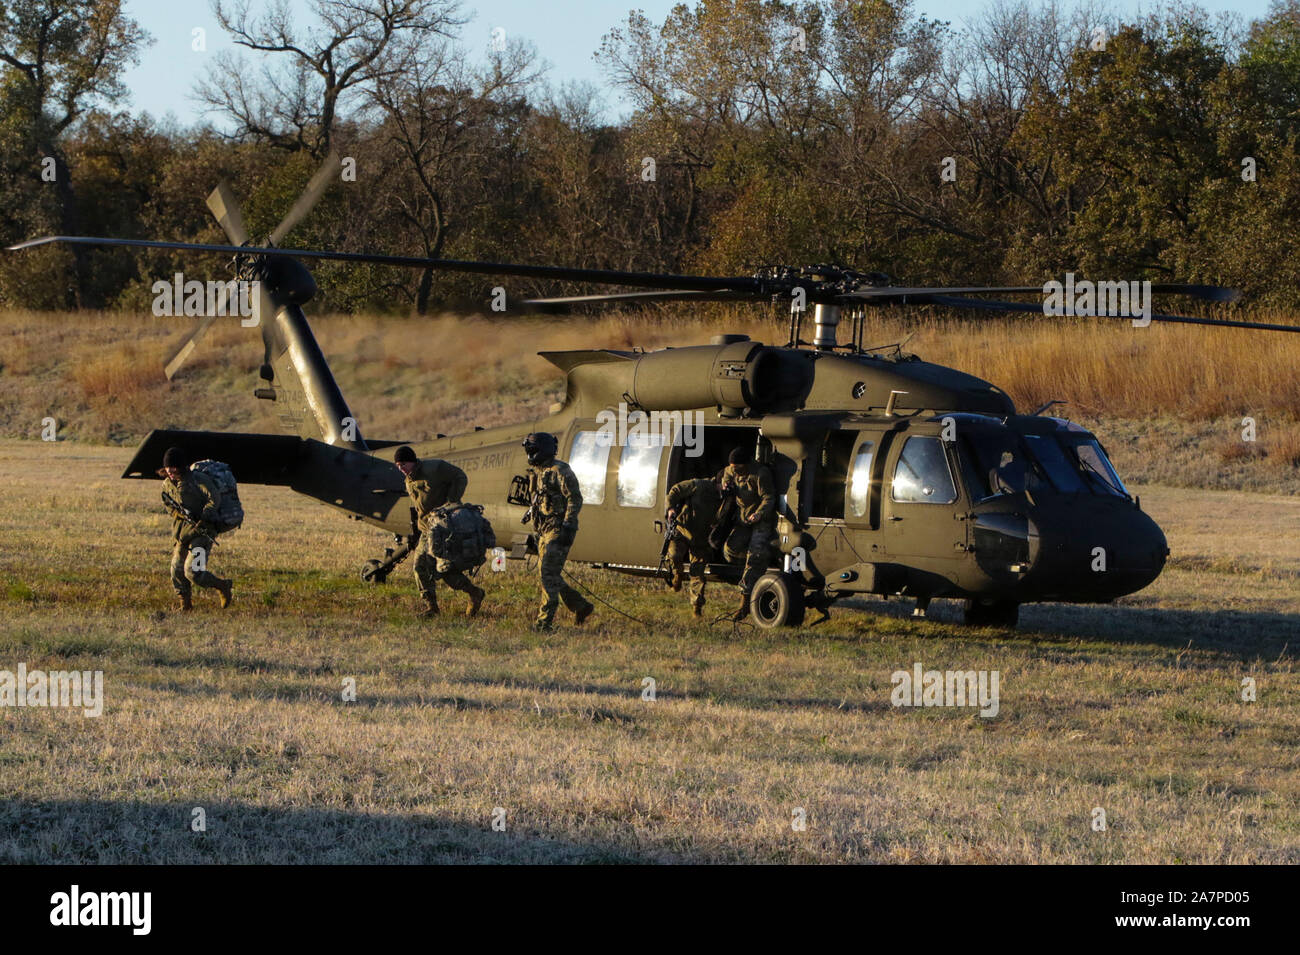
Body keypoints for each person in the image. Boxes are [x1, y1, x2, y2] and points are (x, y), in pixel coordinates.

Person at [394, 445, 485, 618]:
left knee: (445, 569)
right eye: (398, 465)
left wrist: (452, 502)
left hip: (444, 529)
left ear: (412, 461)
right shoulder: (408, 480)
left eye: (403, 464)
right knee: (420, 567)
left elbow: (460, 476)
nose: (401, 469)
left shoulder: (434, 468)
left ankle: (475, 593)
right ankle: (432, 608)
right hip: (427, 530)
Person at [522, 432, 594, 632]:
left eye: (533, 450)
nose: (530, 454)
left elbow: (575, 498)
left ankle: (544, 624)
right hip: (544, 530)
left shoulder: (560, 470)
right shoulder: (539, 472)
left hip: (558, 529)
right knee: (549, 574)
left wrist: (568, 524)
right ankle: (581, 606)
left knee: (548, 575)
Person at [159, 446, 233, 612]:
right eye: (168, 468)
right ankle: (185, 605)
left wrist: (204, 516)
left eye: (173, 468)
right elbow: (168, 504)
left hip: (202, 532)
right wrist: (180, 514)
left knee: (194, 572)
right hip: (183, 533)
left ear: (181, 466)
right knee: (176, 570)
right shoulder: (167, 485)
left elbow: (214, 498)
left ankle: (223, 585)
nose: (170, 471)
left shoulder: (198, 480)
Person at [716, 445, 776, 620]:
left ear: (747, 464)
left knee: (755, 555)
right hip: (743, 518)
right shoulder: (731, 471)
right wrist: (725, 485)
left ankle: (745, 603)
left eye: (739, 468)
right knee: (730, 550)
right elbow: (726, 477)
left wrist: (759, 513)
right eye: (733, 468)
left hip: (760, 520)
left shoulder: (760, 474)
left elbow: (768, 497)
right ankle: (754, 571)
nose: (736, 471)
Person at [664, 474, 723, 617]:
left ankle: (697, 609)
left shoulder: (727, 499)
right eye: (726, 483)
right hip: (683, 530)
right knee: (674, 555)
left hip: (701, 539)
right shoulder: (699, 485)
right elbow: (676, 490)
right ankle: (677, 575)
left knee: (698, 575)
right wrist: (670, 508)